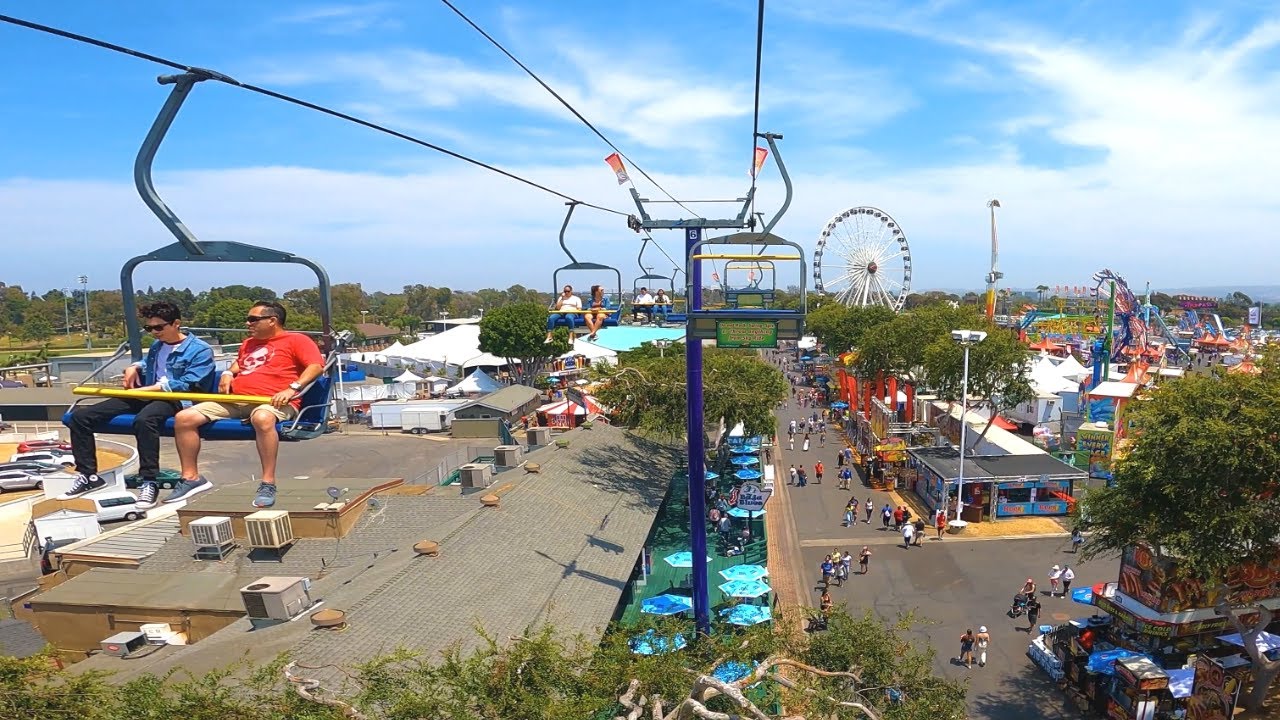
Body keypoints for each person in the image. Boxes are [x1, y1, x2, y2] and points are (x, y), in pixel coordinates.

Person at [169, 301, 325, 508]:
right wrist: (227, 373)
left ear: (272, 321)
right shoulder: (249, 343)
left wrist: (291, 389)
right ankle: (191, 477)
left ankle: (268, 482)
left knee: (262, 418)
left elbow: (316, 366)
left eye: (253, 319)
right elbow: (241, 363)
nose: (247, 323)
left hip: (273, 402)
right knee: (184, 418)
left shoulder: (297, 340)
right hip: (238, 400)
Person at [63, 302, 217, 507]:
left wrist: (145, 390)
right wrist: (134, 367)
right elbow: (150, 364)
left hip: (177, 398)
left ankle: (149, 481)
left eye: (159, 327)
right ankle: (89, 475)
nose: (154, 333)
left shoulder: (200, 350)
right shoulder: (157, 346)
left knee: (145, 420)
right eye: (149, 328)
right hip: (148, 394)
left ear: (176, 324)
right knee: (81, 417)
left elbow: (186, 383)